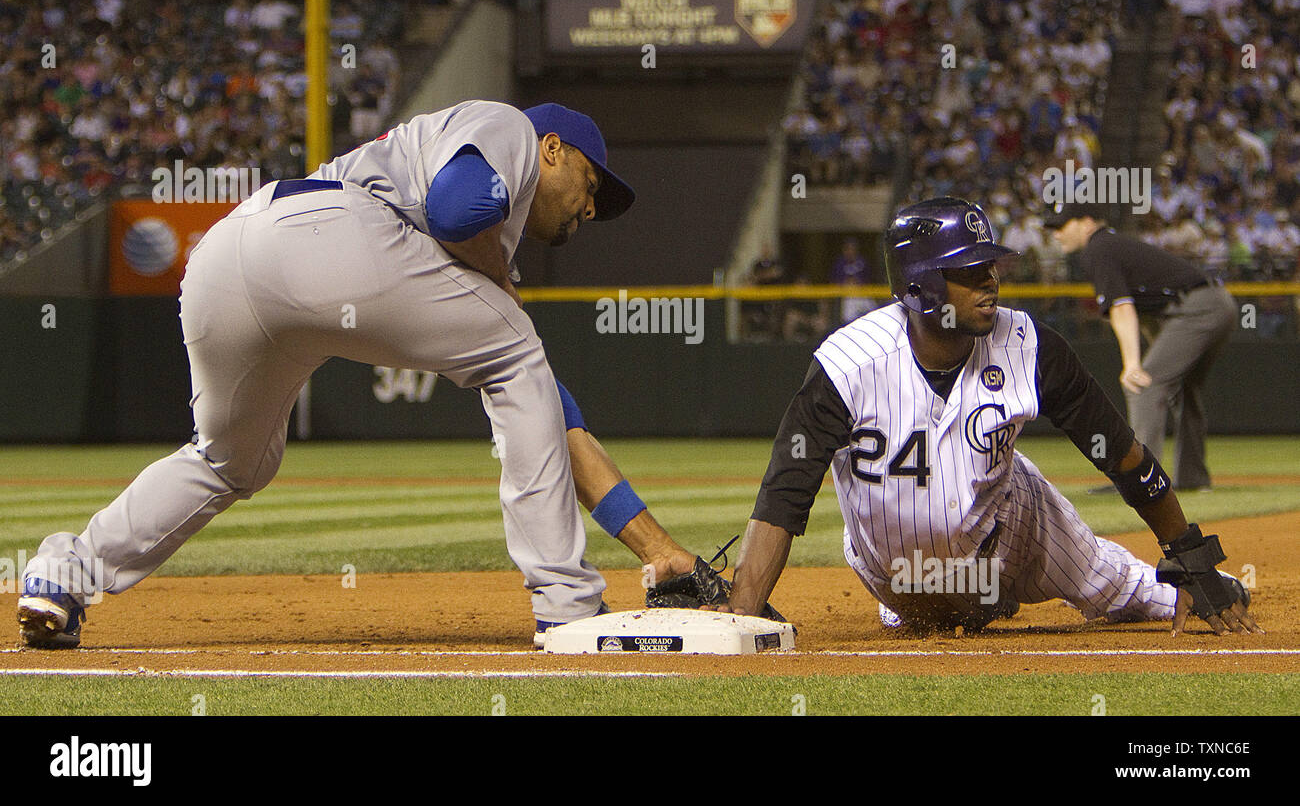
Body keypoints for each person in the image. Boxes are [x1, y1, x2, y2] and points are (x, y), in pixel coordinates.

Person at [17, 99, 696, 649]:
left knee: (229, 462)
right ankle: (568, 603)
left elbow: (548, 409)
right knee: (515, 351)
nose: (589, 207)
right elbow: (457, 208)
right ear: (554, 148)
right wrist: (499, 281)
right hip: (328, 232)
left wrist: (654, 544)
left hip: (228, 254)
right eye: (592, 185)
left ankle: (61, 573)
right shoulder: (511, 128)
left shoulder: (485, 223)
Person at [707, 197, 1258, 637]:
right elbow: (783, 495)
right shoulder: (847, 364)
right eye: (969, 270)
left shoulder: (1030, 347)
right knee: (930, 598)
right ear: (920, 285)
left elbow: (1122, 455)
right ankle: (940, 604)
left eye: (991, 264)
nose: (990, 278)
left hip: (1013, 533)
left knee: (1108, 581)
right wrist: (743, 615)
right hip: (894, 574)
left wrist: (1189, 555)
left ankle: (1163, 586)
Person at [1045, 201, 1236, 491]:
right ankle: (1193, 479)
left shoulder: (1098, 248)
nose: (1057, 234)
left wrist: (1133, 364)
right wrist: (1153, 353)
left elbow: (1122, 309)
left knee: (1142, 384)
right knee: (1183, 389)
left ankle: (1143, 480)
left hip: (1198, 309)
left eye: (1062, 226)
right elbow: (1145, 310)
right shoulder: (1110, 245)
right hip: (1215, 305)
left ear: (1086, 223)